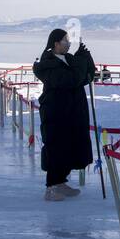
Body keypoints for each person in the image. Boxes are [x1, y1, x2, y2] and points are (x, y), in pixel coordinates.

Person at [33, 29, 95, 201]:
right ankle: (51, 187)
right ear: (56, 43)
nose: (69, 44)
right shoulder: (47, 63)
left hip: (73, 112)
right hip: (56, 112)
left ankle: (61, 182)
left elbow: (85, 77)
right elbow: (70, 80)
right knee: (56, 148)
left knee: (71, 146)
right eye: (65, 40)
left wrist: (85, 58)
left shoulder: (68, 60)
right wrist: (80, 62)